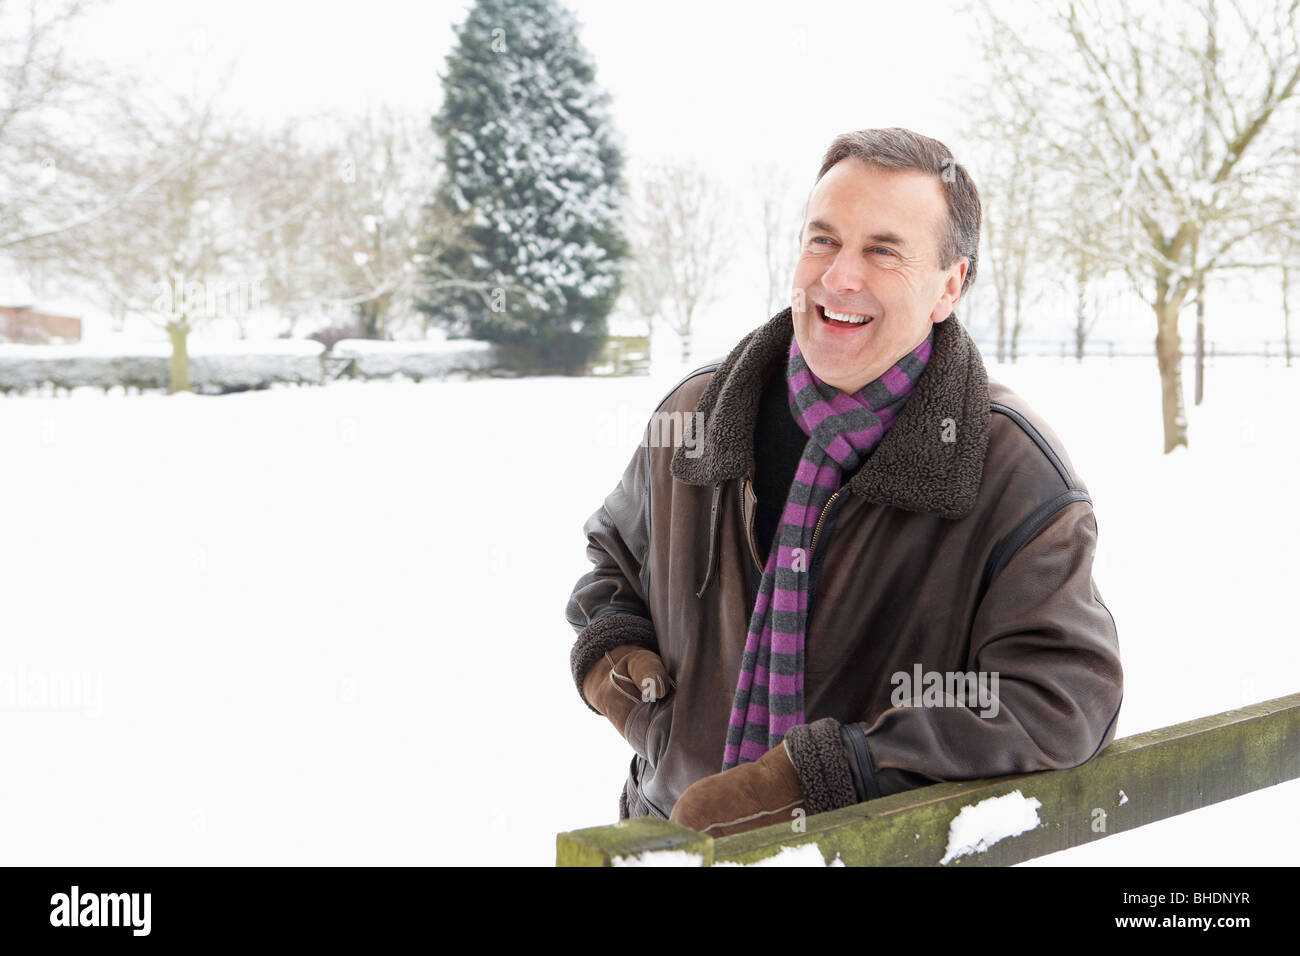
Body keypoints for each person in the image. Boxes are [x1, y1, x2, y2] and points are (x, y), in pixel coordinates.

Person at [564, 127, 1123, 838]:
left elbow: (1063, 697)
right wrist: (632, 690)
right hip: (669, 842)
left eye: (883, 250)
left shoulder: (1011, 467)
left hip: (869, 855)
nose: (839, 277)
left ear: (949, 285)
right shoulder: (698, 415)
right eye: (823, 240)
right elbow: (612, 563)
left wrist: (835, 773)